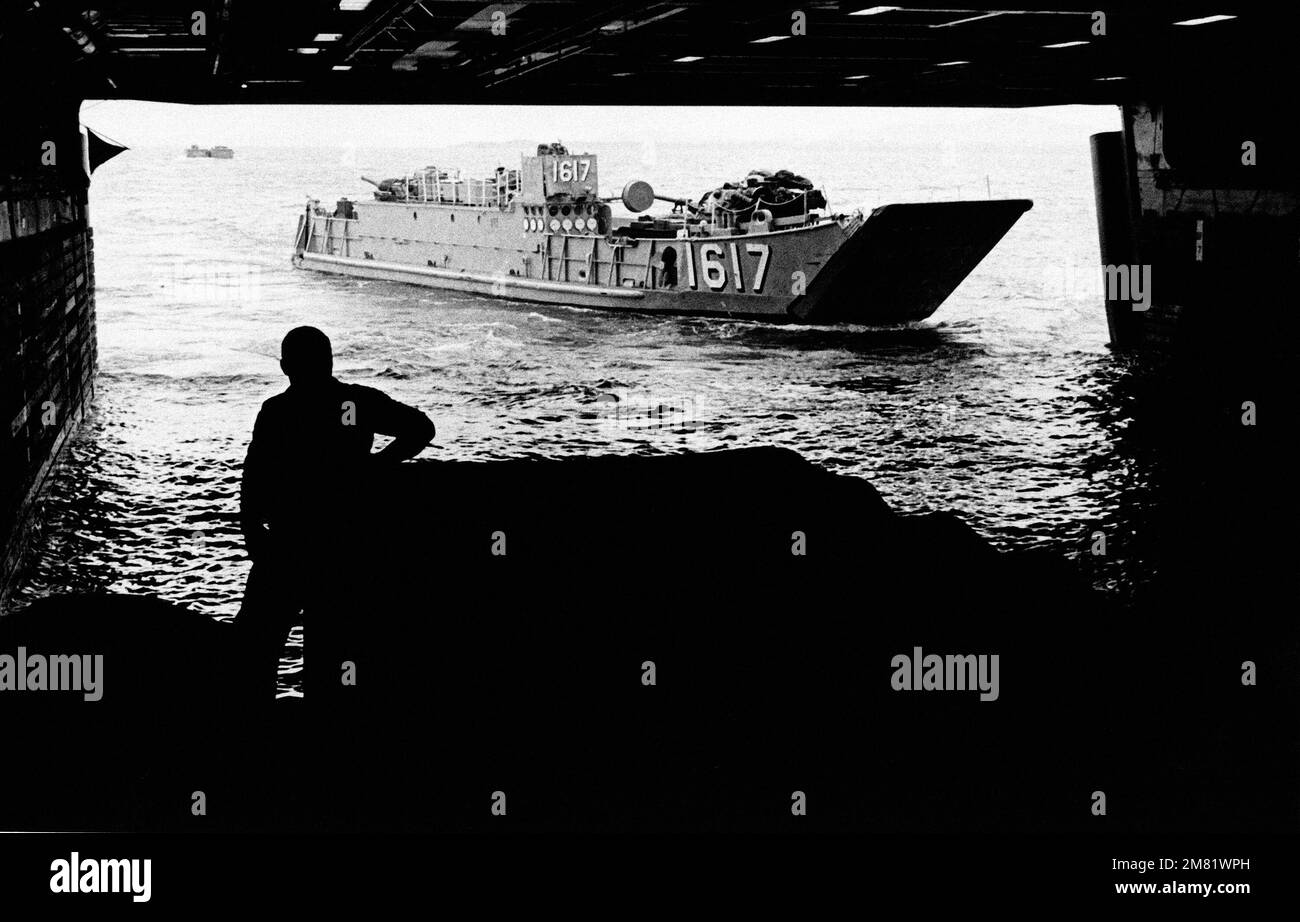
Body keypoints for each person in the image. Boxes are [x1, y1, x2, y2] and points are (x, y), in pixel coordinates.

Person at [237, 326, 435, 701]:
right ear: (328, 361)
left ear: (285, 367)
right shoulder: (356, 403)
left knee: (257, 646)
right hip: (342, 541)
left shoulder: (276, 412)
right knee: (335, 647)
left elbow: (254, 476)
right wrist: (379, 464)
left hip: (286, 543)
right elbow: (421, 428)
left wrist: (252, 531)